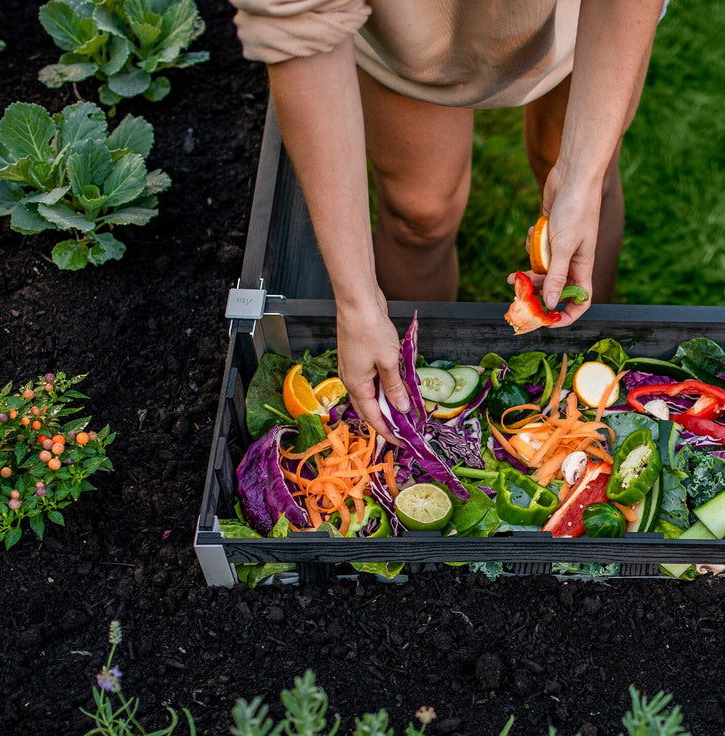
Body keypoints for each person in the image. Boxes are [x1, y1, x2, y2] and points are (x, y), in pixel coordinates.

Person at [229, 0, 664, 437]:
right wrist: (356, 300)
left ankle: (589, 370)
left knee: (589, 184)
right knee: (419, 214)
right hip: (412, 26)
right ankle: (423, 396)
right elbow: (299, 21)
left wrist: (582, 174)